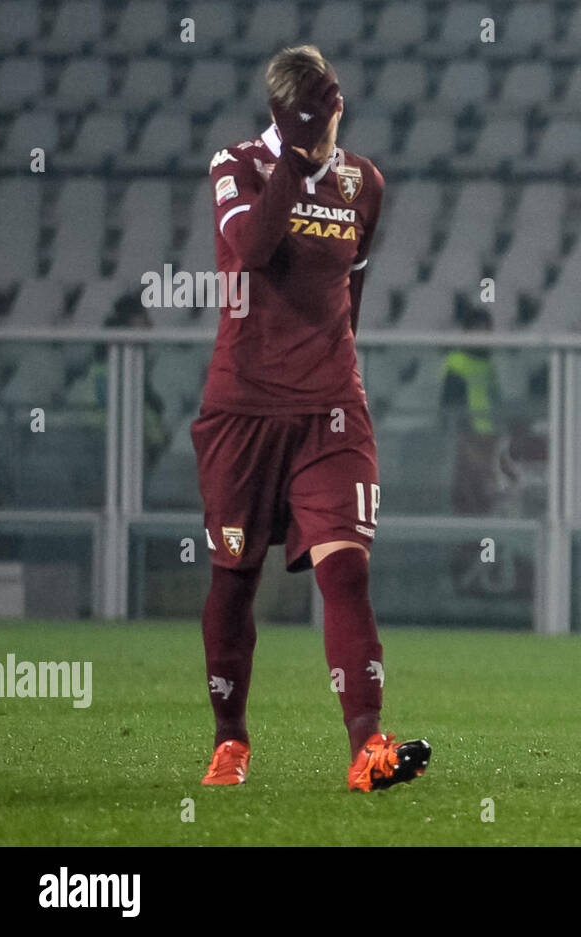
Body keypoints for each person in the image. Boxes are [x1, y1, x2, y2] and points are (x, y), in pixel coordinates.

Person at [193, 45, 430, 791]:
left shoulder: (364, 183)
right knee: (236, 577)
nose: (331, 132)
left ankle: (368, 748)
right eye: (316, 121)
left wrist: (340, 363)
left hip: (331, 406)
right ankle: (231, 740)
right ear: (285, 120)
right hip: (244, 407)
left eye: (334, 115)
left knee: (348, 570)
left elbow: (350, 294)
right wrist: (295, 165)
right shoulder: (234, 168)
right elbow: (252, 248)